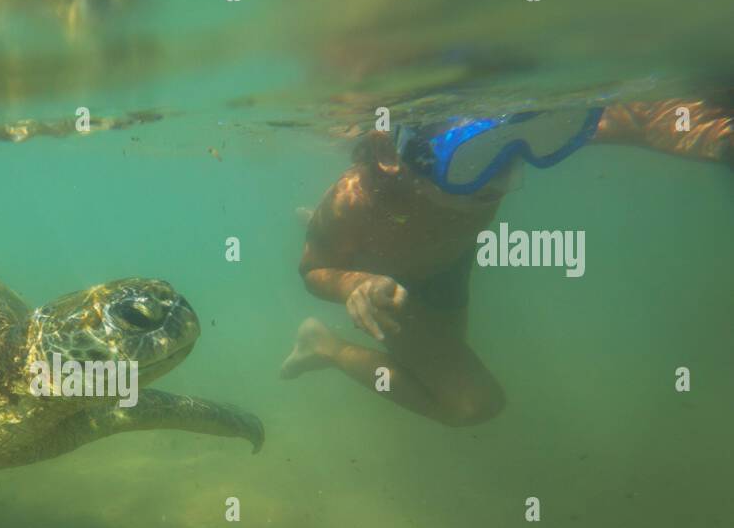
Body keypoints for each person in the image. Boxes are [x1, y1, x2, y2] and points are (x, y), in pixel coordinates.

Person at [280, 101, 731, 426]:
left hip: (446, 269)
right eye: (473, 156)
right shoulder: (355, 197)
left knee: (435, 367)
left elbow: (637, 117)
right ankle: (325, 347)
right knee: (470, 405)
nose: (502, 175)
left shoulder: (488, 154)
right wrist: (351, 283)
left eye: (514, 152)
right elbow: (312, 269)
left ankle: (340, 253)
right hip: (387, 288)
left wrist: (720, 139)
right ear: (388, 156)